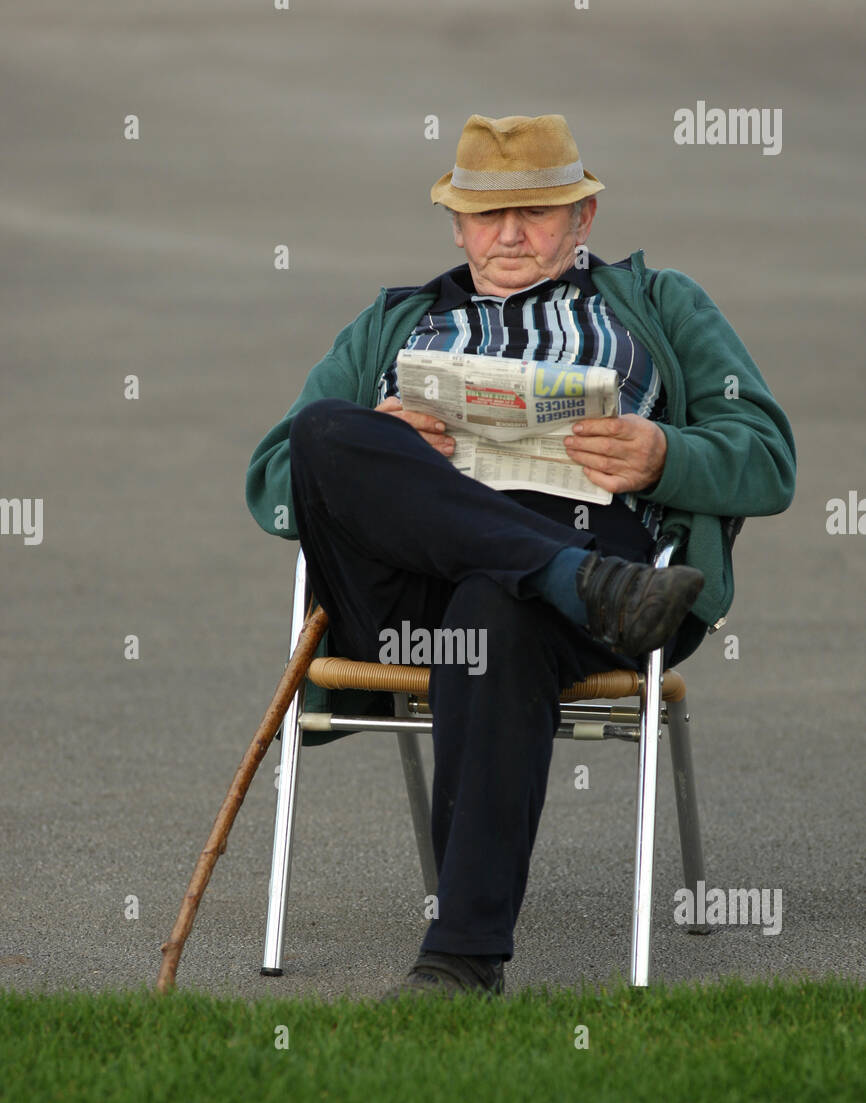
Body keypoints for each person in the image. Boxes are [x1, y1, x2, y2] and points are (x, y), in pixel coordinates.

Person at [246, 113, 796, 998]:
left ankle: (460, 962)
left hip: (583, 574)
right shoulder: (395, 322)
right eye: (487, 214)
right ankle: (566, 578)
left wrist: (668, 455)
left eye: (536, 213)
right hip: (432, 592)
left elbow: (770, 459)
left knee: (494, 609)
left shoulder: (660, 304)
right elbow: (275, 482)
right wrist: (384, 440)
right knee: (326, 430)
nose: (510, 234)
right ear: (456, 224)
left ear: (582, 220)